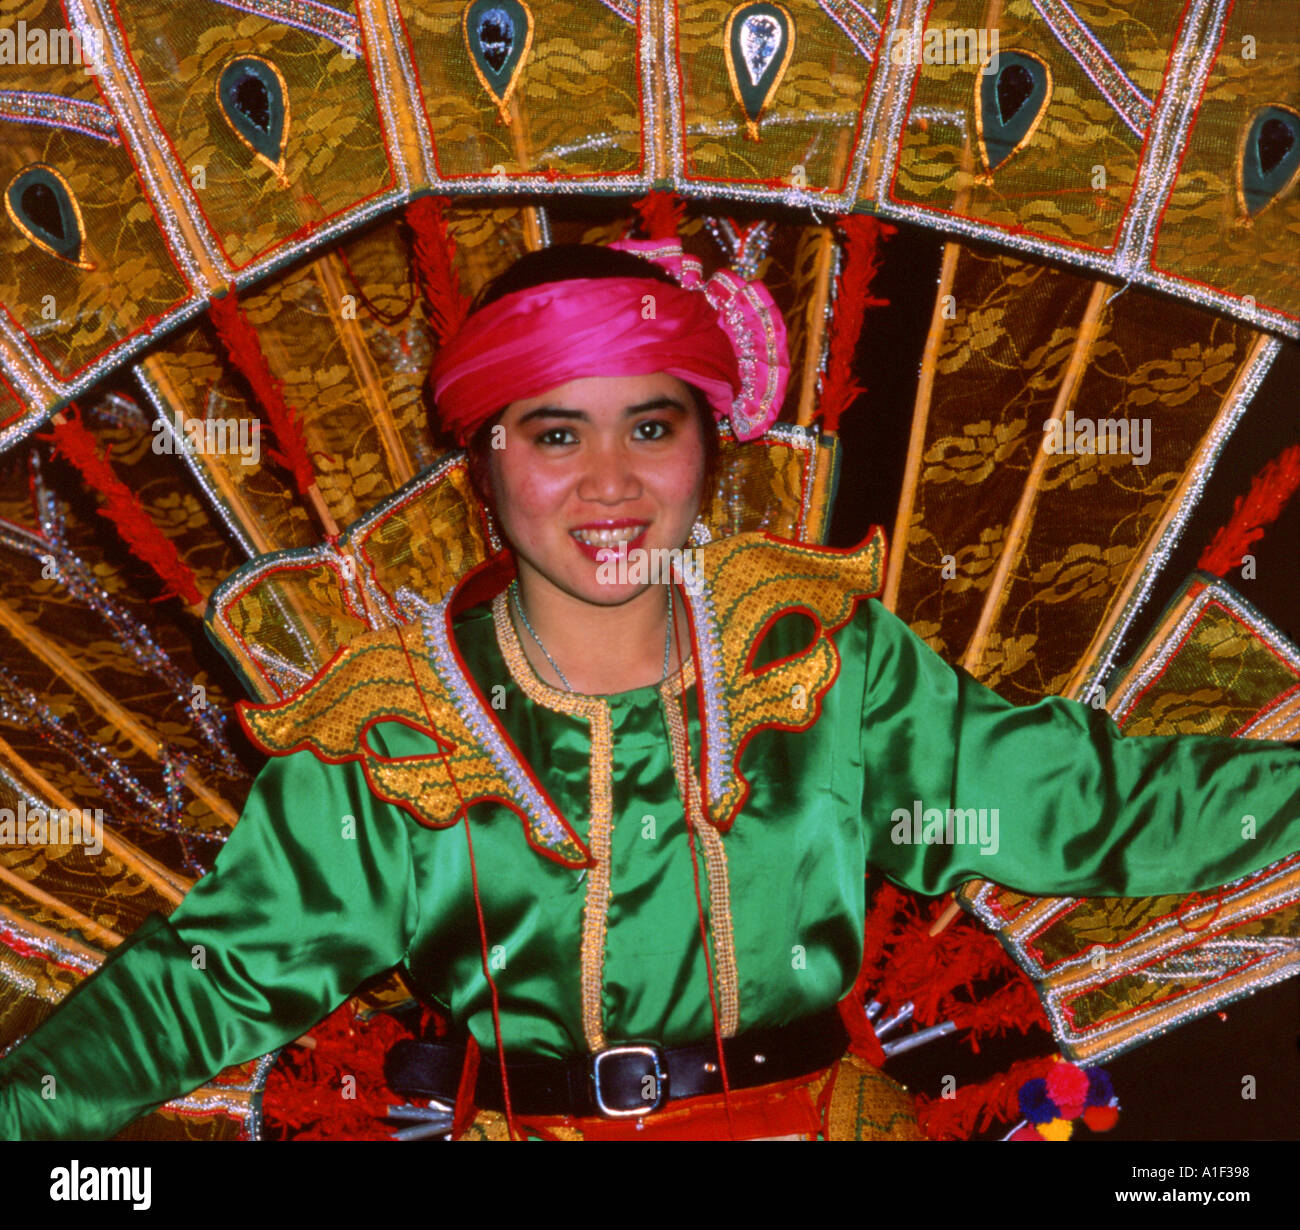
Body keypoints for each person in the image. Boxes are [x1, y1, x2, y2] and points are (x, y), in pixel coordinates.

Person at [1, 240, 1297, 1142]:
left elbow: (1105, 810)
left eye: (653, 425)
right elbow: (203, 982)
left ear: (707, 455)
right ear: (485, 464)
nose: (610, 481)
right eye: (556, 432)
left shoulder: (827, 671)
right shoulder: (389, 736)